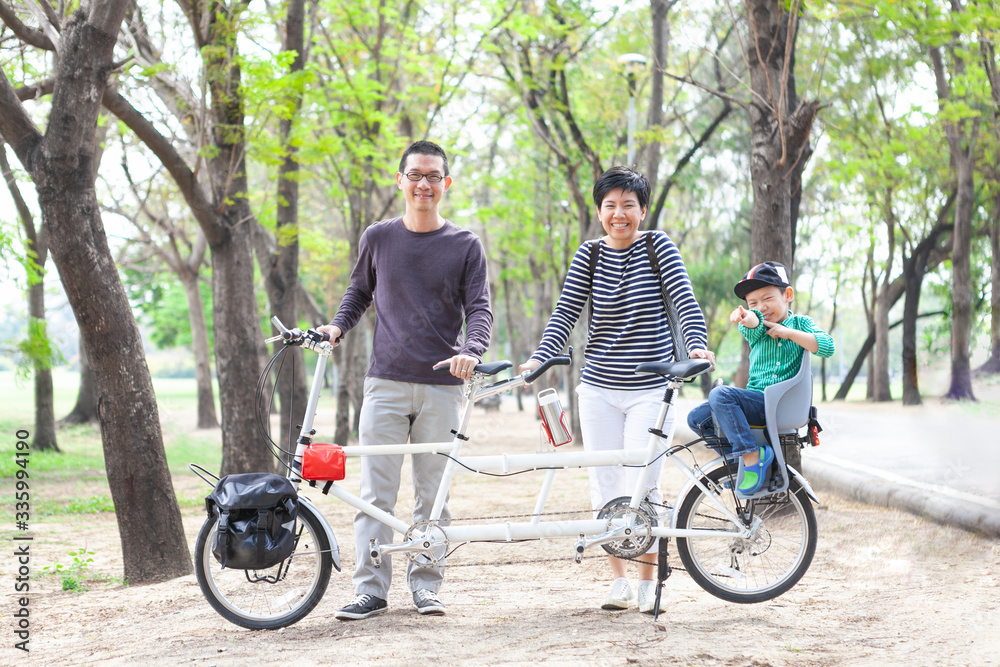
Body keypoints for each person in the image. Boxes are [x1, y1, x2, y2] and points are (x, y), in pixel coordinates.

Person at [519, 166, 714, 615]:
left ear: (642, 210)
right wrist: (539, 357)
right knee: (604, 484)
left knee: (643, 483)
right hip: (598, 388)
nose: (619, 213)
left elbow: (684, 301)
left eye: (628, 205)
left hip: (650, 387)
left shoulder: (657, 245)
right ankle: (619, 582)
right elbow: (565, 314)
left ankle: (648, 582)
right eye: (610, 206)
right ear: (600, 211)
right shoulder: (588, 255)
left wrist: (697, 344)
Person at [317, 140, 492, 620]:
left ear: (446, 184)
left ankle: (427, 586)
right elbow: (358, 292)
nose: (424, 184)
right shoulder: (378, 238)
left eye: (434, 176)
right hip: (386, 382)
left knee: (433, 494)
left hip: (442, 386)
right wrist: (335, 327)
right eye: (415, 175)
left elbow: (480, 309)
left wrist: (470, 351)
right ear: (400, 181)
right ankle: (370, 590)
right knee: (376, 492)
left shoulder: (465, 245)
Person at [686, 261, 835, 497]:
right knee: (697, 418)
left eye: (767, 298)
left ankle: (752, 457)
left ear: (787, 295)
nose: (761, 307)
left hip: (780, 404)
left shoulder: (801, 324)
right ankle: (740, 463)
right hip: (758, 402)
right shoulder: (757, 329)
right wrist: (747, 317)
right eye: (753, 302)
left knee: (719, 394)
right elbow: (753, 322)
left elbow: (827, 347)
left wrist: (788, 333)